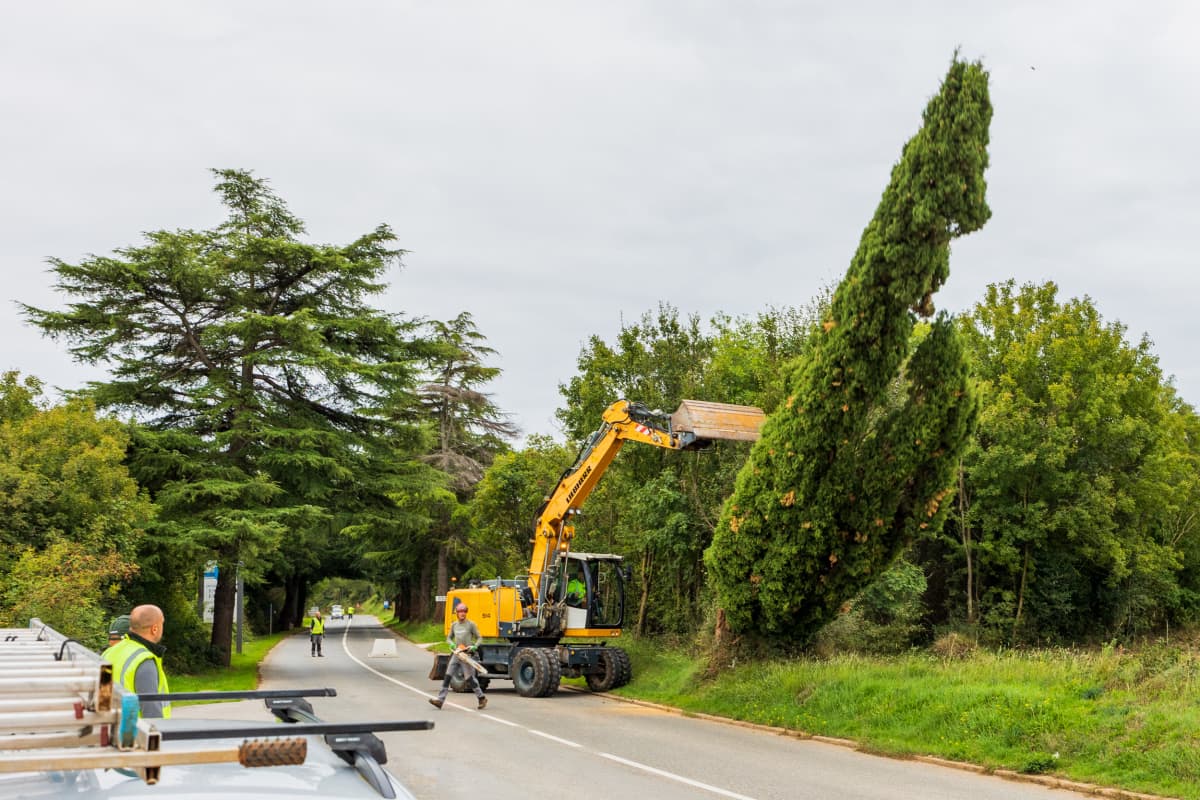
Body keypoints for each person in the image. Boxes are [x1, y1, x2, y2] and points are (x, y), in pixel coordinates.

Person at [101, 604, 171, 718]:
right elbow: (152, 712)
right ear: (155, 629)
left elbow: (103, 700)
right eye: (162, 623)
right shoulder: (144, 659)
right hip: (134, 732)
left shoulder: (108, 653)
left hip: (109, 729)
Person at [429, 602, 486, 710]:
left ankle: (481, 698)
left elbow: (479, 638)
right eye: (460, 612)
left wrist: (474, 646)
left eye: (464, 611)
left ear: (466, 613)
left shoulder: (471, 624)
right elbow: (448, 638)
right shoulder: (454, 625)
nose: (462, 614)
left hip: (466, 655)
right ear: (457, 613)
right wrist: (451, 643)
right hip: (456, 654)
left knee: (469, 679)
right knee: (448, 676)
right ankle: (440, 700)